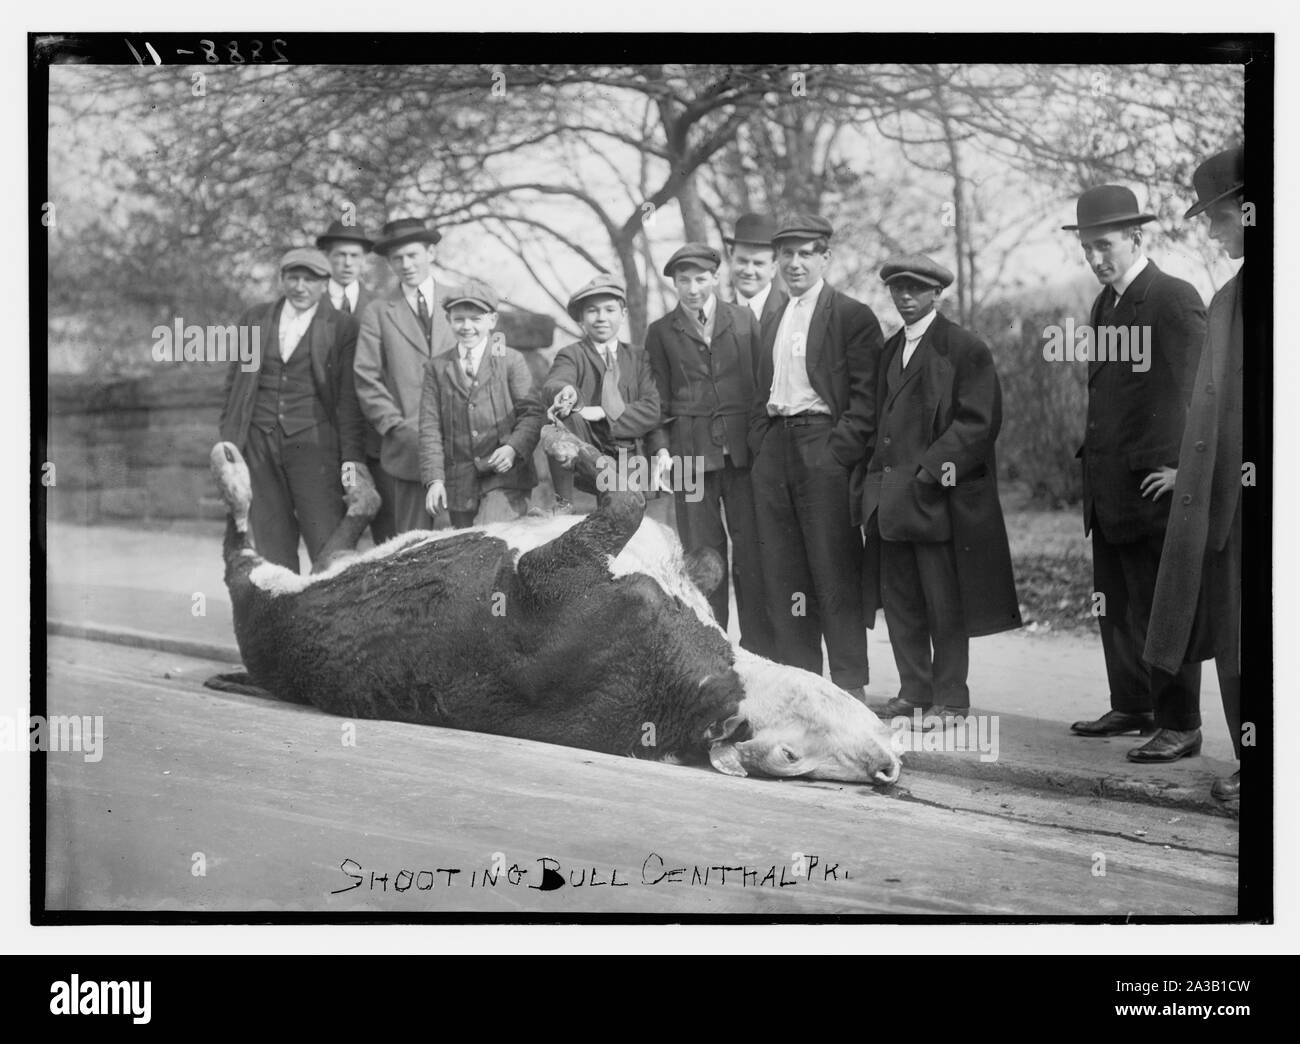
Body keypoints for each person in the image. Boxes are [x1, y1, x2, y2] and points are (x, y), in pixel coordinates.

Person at [1063, 185, 1207, 761]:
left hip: (1155, 488)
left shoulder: (1172, 299)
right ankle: (1135, 704)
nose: (1097, 259)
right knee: (1117, 605)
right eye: (1087, 249)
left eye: (1106, 246)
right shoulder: (1106, 304)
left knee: (1162, 609)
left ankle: (1181, 723)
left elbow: (1207, 393)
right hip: (1110, 489)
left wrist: (1186, 472)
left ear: (1137, 239)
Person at [860, 254, 1021, 726]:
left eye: (916, 289)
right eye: (897, 289)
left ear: (936, 293)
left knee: (944, 603)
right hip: (890, 501)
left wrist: (930, 474)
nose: (905, 297)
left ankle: (951, 700)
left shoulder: (964, 347)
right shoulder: (889, 351)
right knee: (901, 602)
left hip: (935, 500)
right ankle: (915, 691)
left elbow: (979, 423)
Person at [1143, 146, 1246, 799]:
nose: (1211, 230)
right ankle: (1253, 763)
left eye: (1217, 216)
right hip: (1231, 508)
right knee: (1237, 646)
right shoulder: (1231, 296)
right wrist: (1193, 473)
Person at [749, 214, 881, 697]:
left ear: (826, 258)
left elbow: (868, 397)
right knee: (784, 571)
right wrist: (760, 443)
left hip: (822, 445)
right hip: (775, 448)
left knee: (833, 568)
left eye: (806, 253)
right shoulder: (773, 318)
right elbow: (761, 389)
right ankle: (802, 687)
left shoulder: (851, 314)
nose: (795, 263)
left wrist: (836, 453)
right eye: (787, 254)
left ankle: (849, 688)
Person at [645, 242, 773, 655]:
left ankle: (757, 650)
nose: (693, 287)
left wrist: (761, 444)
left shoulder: (744, 319)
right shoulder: (661, 331)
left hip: (742, 453)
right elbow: (657, 400)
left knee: (751, 551)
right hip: (688, 457)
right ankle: (714, 649)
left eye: (701, 278)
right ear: (675, 284)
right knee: (702, 554)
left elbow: (760, 385)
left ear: (716, 278)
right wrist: (661, 451)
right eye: (684, 280)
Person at [218, 247, 367, 572]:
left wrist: (351, 463)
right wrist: (229, 444)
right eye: (293, 278)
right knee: (272, 545)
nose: (300, 286)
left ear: (325, 283)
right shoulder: (254, 319)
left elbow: (348, 401)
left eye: (310, 280)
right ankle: (283, 615)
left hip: (315, 448)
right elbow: (234, 387)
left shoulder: (341, 326)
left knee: (327, 542)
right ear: (282, 279)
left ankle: (329, 618)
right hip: (259, 446)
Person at [353, 217, 456, 535]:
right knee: (412, 540)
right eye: (397, 258)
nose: (406, 264)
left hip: (462, 442)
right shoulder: (379, 311)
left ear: (431, 253)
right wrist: (395, 426)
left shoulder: (461, 301)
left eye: (413, 255)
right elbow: (366, 376)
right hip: (408, 445)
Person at [418, 280, 543, 528]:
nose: (467, 327)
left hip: (505, 478)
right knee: (466, 551)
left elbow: (532, 414)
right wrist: (435, 480)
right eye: (459, 319)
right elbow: (429, 429)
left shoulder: (510, 360)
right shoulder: (437, 367)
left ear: (492, 321)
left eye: (476, 319)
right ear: (448, 319)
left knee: (490, 537)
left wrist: (513, 448)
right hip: (460, 485)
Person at [542, 273, 663, 512]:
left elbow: (651, 409)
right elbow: (557, 380)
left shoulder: (639, 357)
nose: (601, 318)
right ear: (581, 320)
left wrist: (601, 413)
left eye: (609, 310)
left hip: (631, 456)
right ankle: (564, 503)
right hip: (590, 456)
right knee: (561, 420)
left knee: (634, 527)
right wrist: (566, 392)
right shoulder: (572, 354)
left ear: (623, 314)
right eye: (592, 311)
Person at [316, 218, 388, 543]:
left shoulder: (381, 307)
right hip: (322, 434)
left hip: (373, 436)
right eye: (339, 255)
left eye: (354, 257)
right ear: (327, 258)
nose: (347, 264)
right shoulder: (307, 306)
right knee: (330, 534)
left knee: (386, 531)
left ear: (364, 261)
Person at [725, 212, 787, 331]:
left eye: (758, 263)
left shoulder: (790, 310)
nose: (749, 271)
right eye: (742, 261)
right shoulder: (718, 317)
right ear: (731, 260)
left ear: (773, 268)